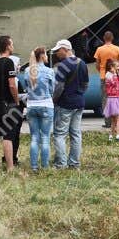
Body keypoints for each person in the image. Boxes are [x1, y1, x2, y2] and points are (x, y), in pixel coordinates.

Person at [50, 39, 88, 169]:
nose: (56, 53)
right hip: (79, 102)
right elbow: (86, 84)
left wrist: (54, 100)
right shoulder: (82, 63)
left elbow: (59, 87)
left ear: (65, 49)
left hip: (65, 103)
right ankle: (74, 163)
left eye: (58, 50)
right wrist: (79, 93)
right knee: (76, 134)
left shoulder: (63, 65)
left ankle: (61, 164)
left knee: (60, 134)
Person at [0, 36, 22, 169]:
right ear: (7, 46)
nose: (13, 46)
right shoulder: (9, 62)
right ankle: (10, 167)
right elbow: (12, 85)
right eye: (12, 44)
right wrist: (16, 100)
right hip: (9, 103)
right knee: (8, 136)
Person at [22, 46, 54, 170]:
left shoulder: (27, 71)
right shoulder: (49, 71)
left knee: (34, 137)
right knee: (45, 137)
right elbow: (52, 90)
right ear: (42, 56)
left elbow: (26, 88)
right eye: (46, 54)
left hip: (31, 106)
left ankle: (34, 166)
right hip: (46, 105)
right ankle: (45, 166)